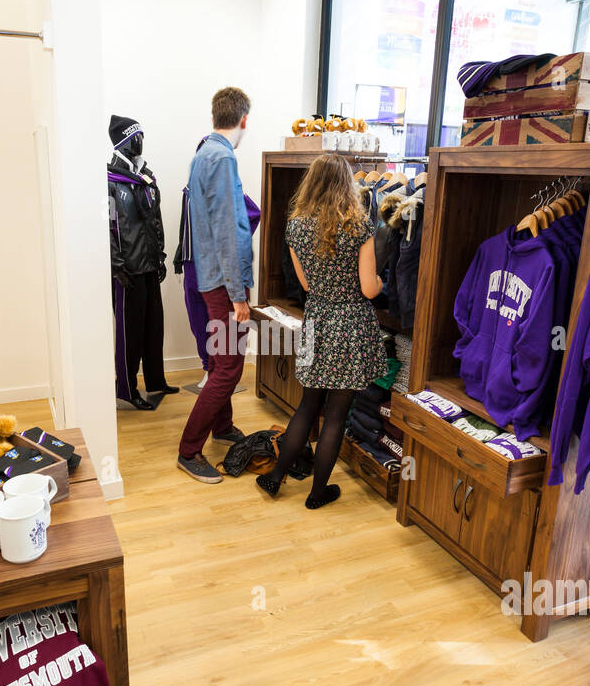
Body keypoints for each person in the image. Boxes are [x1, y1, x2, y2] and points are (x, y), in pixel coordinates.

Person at [256, 155, 388, 508]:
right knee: (336, 414)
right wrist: (379, 280)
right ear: (346, 185)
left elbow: (305, 284)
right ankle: (317, 494)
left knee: (306, 405)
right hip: (349, 324)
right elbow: (368, 289)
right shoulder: (358, 226)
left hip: (317, 320)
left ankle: (275, 476)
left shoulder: (296, 227)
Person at [176, 87, 255, 483]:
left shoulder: (202, 152)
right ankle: (190, 450)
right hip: (223, 284)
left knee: (223, 360)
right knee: (228, 367)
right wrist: (239, 294)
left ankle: (222, 427)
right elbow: (228, 230)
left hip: (209, 277)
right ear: (243, 120)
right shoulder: (223, 157)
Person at [107, 114, 178, 409]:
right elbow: (108, 226)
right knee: (129, 333)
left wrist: (160, 254)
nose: (141, 142)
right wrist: (116, 264)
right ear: (125, 140)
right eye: (137, 136)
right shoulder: (110, 181)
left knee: (153, 327)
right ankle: (126, 389)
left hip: (149, 264)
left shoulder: (145, 176)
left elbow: (155, 220)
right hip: (128, 270)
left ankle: (156, 380)